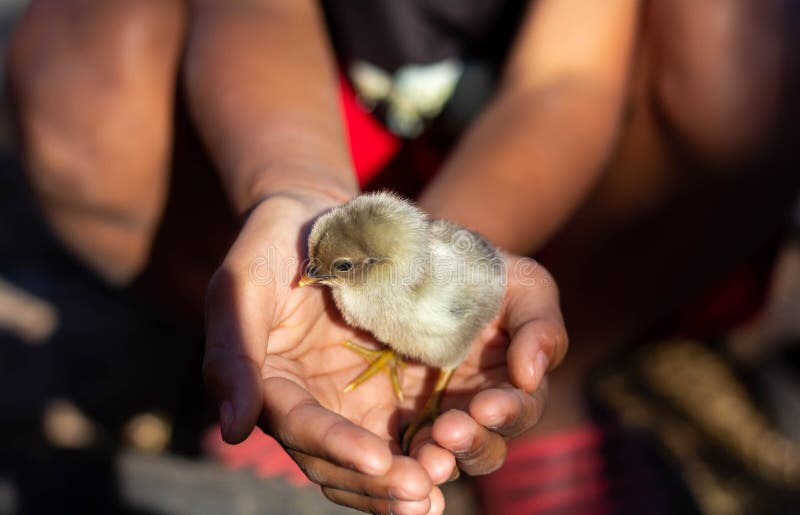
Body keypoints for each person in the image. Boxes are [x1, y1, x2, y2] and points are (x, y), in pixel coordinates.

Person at [8, 0, 796, 513]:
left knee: (747, 66)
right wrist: (295, 190)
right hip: (316, 120)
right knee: (78, 72)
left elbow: (566, 81)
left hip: (560, 166)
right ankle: (257, 340)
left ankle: (557, 370)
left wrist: (437, 264)